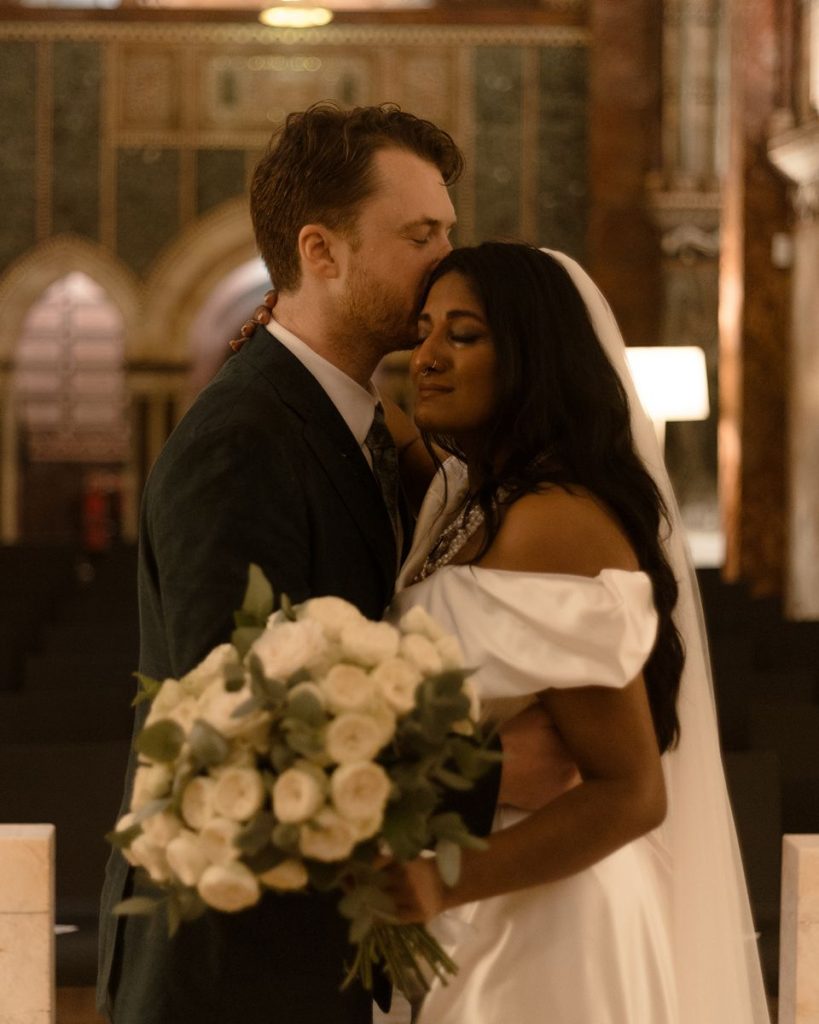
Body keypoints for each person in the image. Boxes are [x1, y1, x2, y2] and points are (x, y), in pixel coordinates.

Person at [97, 102, 477, 1024]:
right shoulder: (243, 438)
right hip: (232, 964)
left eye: (448, 234)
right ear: (322, 252)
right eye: (420, 236)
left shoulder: (355, 425)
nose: (447, 264)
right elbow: (232, 713)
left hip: (310, 943)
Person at [381, 242, 771, 1024]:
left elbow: (631, 793)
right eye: (422, 331)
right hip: (489, 901)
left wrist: (442, 882)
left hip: (549, 917)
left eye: (462, 336)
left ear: (532, 356)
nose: (424, 357)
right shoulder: (477, 502)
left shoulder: (553, 520)